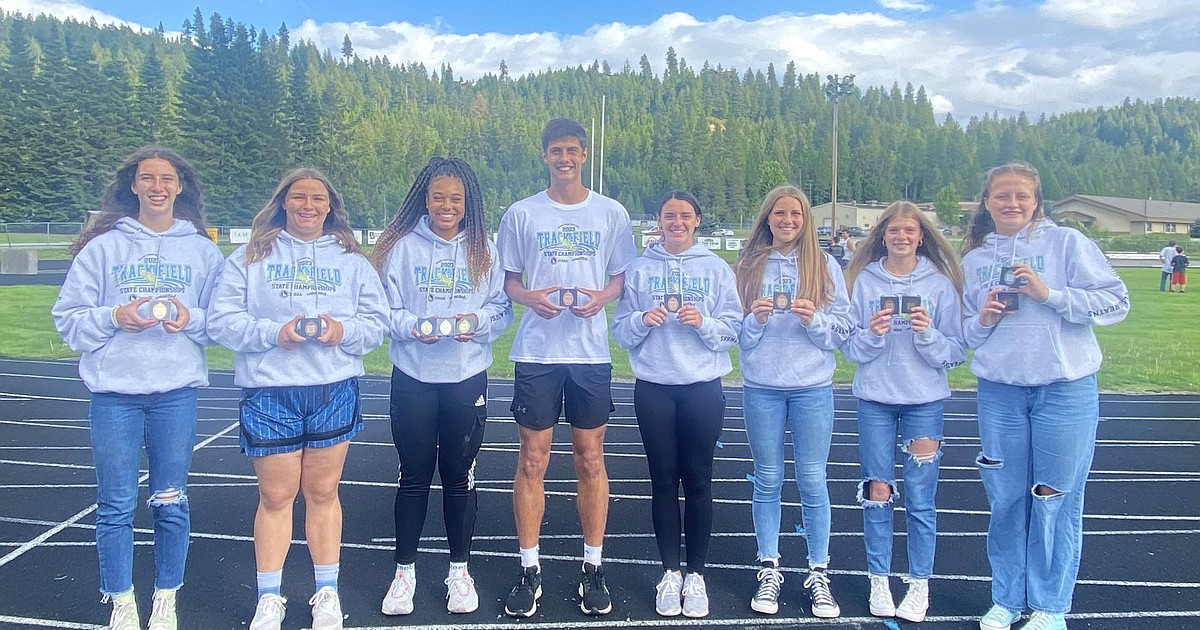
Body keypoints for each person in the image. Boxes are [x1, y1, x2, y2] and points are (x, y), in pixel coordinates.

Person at [207, 168, 388, 630]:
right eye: (299, 197)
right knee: (275, 496)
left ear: (331, 207)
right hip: (271, 390)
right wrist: (274, 334)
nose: (309, 206)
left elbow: (377, 324)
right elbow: (220, 321)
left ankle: (326, 592)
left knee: (324, 492)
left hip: (332, 388)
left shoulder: (351, 260)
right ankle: (270, 597)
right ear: (283, 201)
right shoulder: (251, 256)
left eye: (318, 199)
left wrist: (341, 331)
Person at [52, 146, 224, 630]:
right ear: (133, 185)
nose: (157, 186)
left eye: (166, 178)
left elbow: (223, 323)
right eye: (147, 178)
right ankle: (122, 602)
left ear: (179, 186)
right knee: (116, 503)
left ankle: (166, 597)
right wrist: (114, 315)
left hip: (175, 393)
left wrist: (191, 318)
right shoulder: (104, 248)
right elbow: (69, 319)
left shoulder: (202, 251)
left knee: (171, 498)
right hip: (115, 395)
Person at [960, 163, 1129, 630]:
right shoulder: (975, 259)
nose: (1010, 204)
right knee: (1007, 499)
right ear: (987, 202)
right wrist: (985, 319)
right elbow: (965, 333)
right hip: (1000, 393)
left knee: (1054, 498)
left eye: (1020, 196)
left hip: (1064, 390)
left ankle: (1051, 606)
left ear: (1037, 200)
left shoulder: (1067, 243)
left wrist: (1050, 294)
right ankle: (1007, 598)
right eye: (1001, 196)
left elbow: (1116, 302)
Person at [496, 117, 637, 618]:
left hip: (589, 354)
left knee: (589, 459)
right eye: (556, 150)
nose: (565, 158)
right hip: (537, 353)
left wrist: (603, 296)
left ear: (584, 154)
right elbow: (509, 281)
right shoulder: (521, 213)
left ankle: (592, 567)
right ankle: (529, 569)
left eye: (573, 150)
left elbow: (621, 277)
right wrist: (528, 297)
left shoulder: (610, 212)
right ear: (545, 155)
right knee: (532, 459)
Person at [368, 157, 513, 616]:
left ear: (468, 202)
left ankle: (459, 571)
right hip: (412, 377)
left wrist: (479, 322)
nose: (446, 206)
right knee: (412, 476)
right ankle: (404, 573)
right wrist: (413, 327)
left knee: (458, 476)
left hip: (465, 377)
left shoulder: (483, 250)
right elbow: (382, 312)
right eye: (438, 197)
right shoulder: (401, 248)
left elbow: (502, 310)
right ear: (424, 199)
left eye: (455, 198)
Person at [612, 190, 741, 618]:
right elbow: (620, 332)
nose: (677, 222)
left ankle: (697, 576)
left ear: (698, 220)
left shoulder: (717, 269)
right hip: (654, 387)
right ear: (659, 221)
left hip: (702, 386)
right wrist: (640, 321)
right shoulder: (639, 269)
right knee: (663, 481)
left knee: (699, 481)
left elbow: (733, 331)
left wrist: (704, 324)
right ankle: (670, 573)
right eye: (670, 215)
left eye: (685, 215)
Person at [842, 201, 966, 623]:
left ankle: (919, 584)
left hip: (924, 400)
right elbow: (849, 346)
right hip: (875, 398)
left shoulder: (939, 285)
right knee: (878, 491)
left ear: (921, 236)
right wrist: (872, 336)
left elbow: (956, 353)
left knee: (920, 495)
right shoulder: (862, 281)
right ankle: (879, 578)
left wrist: (928, 334)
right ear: (882, 235)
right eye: (893, 231)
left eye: (909, 231)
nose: (901, 237)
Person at [733, 185, 852, 619]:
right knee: (766, 478)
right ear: (767, 217)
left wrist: (816, 321)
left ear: (806, 221)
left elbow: (843, 330)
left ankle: (818, 571)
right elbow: (738, 338)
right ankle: (769, 567)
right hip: (762, 384)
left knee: (812, 480)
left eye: (796, 215)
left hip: (812, 386)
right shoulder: (749, 265)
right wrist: (756, 321)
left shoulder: (824, 266)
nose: (787, 221)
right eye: (779, 213)